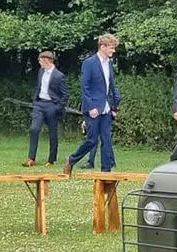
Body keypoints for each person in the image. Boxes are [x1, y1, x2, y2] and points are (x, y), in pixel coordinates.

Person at [63, 34, 121, 175]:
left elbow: (111, 86)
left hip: (106, 108)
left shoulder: (109, 63)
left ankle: (105, 172)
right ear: (102, 47)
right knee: (92, 140)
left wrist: (114, 106)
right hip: (93, 108)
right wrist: (91, 107)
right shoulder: (89, 63)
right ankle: (71, 160)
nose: (113, 51)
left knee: (106, 140)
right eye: (111, 48)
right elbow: (85, 87)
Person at [24, 50, 67, 167]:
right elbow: (38, 87)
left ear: (47, 60)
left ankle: (51, 160)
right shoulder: (40, 72)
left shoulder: (59, 75)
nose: (39, 63)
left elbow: (64, 95)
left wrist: (58, 108)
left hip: (52, 106)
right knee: (34, 129)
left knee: (53, 134)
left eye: (40, 60)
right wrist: (35, 101)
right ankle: (31, 158)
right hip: (39, 104)